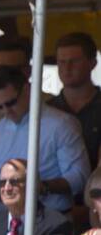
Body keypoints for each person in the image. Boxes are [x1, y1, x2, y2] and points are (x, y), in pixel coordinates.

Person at [0, 66, 88, 213]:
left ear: (27, 90)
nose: (6, 111)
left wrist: (42, 187)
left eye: (11, 103)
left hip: (52, 217)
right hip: (7, 220)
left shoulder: (61, 124)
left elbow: (80, 177)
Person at [49, 32, 101, 171]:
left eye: (75, 61)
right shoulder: (47, 110)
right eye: (62, 62)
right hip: (56, 190)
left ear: (93, 63)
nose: (67, 68)